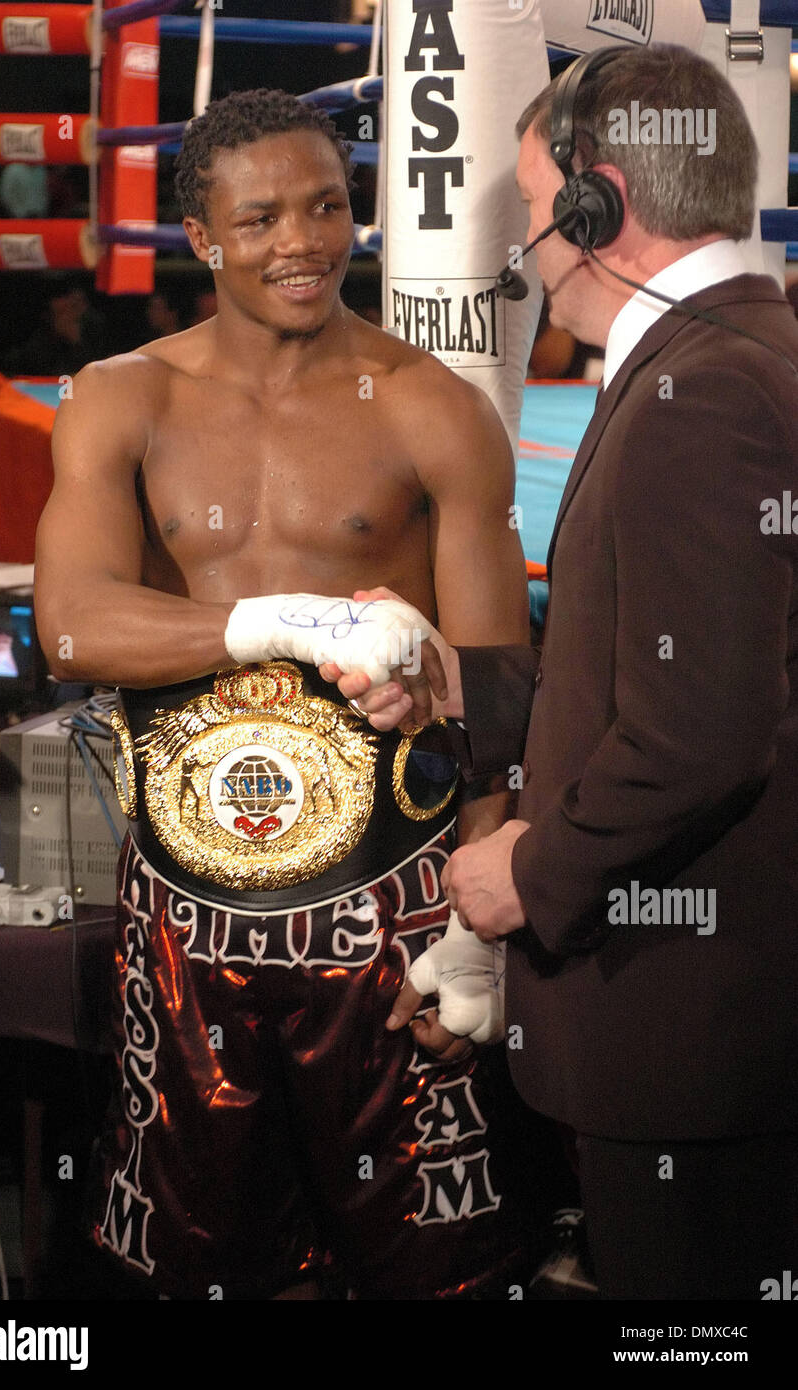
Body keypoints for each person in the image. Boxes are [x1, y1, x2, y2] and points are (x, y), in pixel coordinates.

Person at [34, 89, 563, 1300]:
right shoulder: (123, 398)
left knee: (436, 1269)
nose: (303, 241)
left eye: (327, 205)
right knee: (186, 1261)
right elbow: (68, 621)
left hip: (390, 912)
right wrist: (276, 622)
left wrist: (476, 941)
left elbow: (497, 689)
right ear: (202, 237)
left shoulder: (432, 406)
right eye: (262, 216)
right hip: (185, 918)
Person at [329, 44, 798, 1300]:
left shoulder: (706, 390)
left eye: (541, 211)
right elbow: (662, 673)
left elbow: (700, 731)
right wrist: (458, 686)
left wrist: (530, 870)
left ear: (598, 207)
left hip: (698, 1039)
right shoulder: (733, 356)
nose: (533, 245)